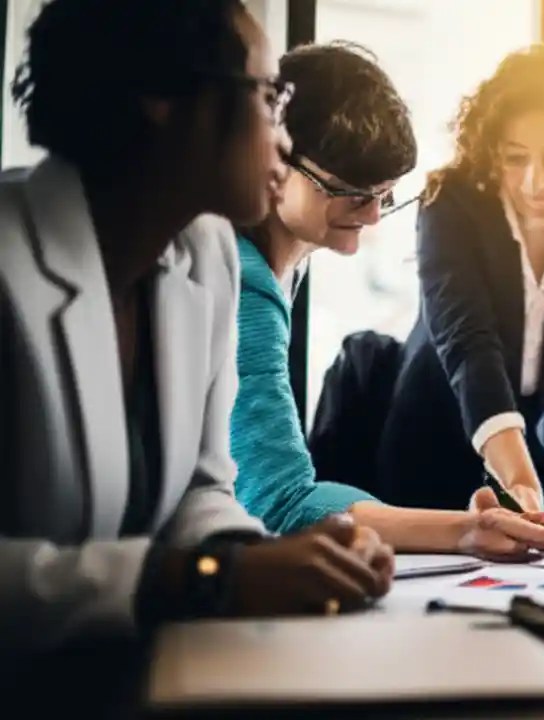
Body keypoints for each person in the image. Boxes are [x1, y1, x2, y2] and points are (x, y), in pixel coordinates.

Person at [0, 0, 394, 660]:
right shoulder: (11, 263)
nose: (286, 140)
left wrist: (264, 560)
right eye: (270, 97)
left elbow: (201, 490)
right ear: (162, 94)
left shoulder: (207, 255)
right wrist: (203, 578)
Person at [231, 41, 544, 560]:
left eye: (384, 195)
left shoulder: (278, 265)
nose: (374, 216)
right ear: (276, 158)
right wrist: (466, 531)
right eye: (353, 193)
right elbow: (280, 500)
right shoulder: (244, 285)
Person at [374, 44, 544, 532]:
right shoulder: (449, 201)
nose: (536, 182)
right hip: (428, 446)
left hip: (529, 451)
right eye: (516, 158)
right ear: (492, 151)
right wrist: (518, 480)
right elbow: (466, 341)